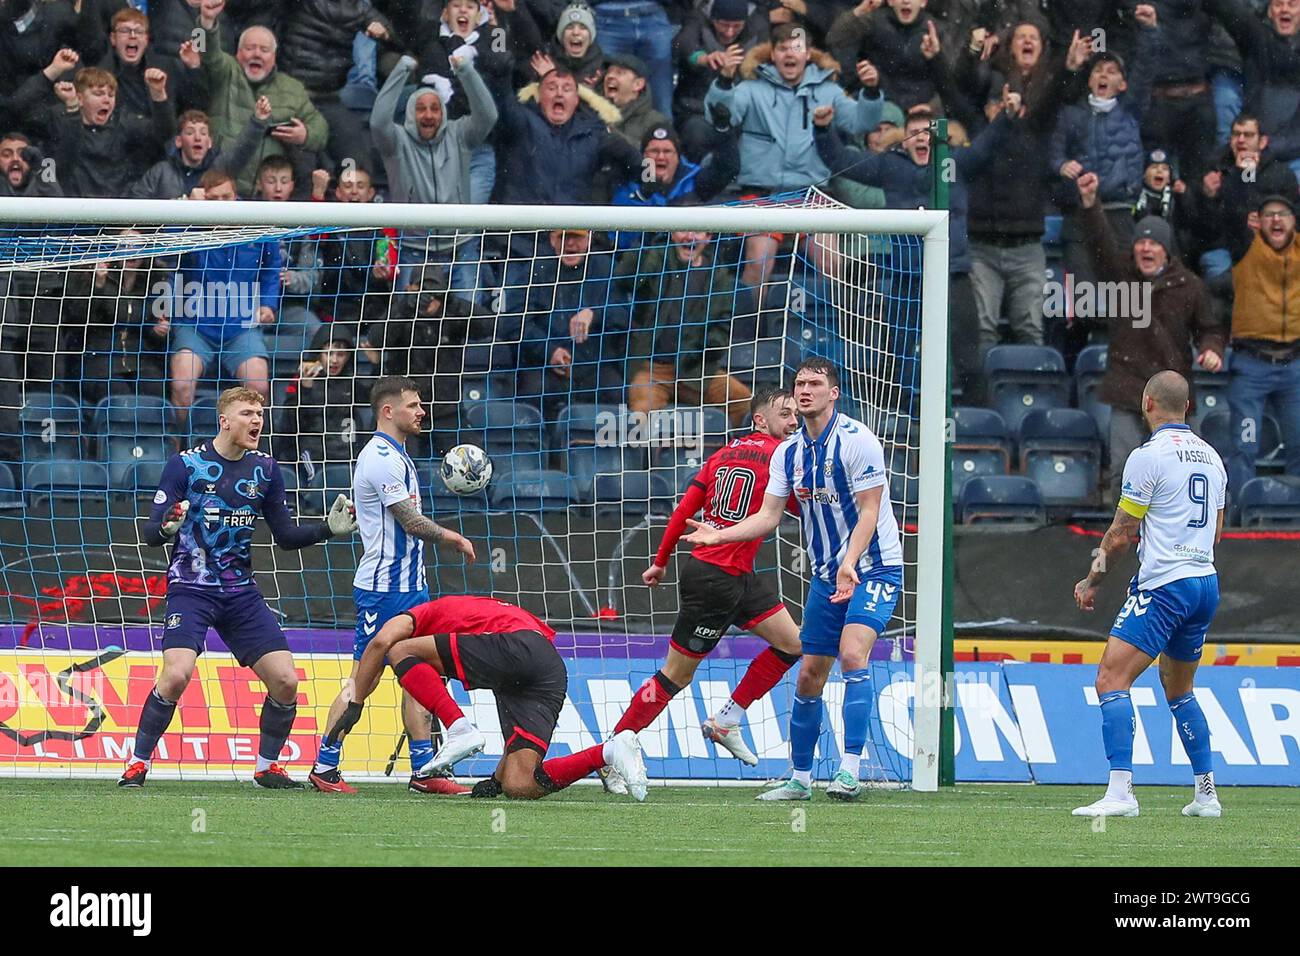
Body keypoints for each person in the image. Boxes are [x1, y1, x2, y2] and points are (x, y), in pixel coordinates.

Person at [683, 358, 903, 801]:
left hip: (874, 567)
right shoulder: (788, 453)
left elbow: (869, 510)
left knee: (853, 654)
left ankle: (850, 770)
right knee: (808, 675)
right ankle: (801, 779)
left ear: (833, 392)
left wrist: (851, 562)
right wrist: (719, 533)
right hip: (826, 576)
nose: (805, 390)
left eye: (815, 384)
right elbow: (767, 516)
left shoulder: (858, 440)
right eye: (800, 384)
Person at [117, 387, 359, 789]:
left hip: (240, 592)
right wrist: (167, 528)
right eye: (247, 413)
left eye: (260, 414)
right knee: (176, 675)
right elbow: (149, 534)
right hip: (191, 588)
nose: (257, 421)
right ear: (224, 420)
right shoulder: (186, 465)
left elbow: (284, 535)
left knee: (286, 681)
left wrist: (327, 530)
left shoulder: (265, 469)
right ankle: (137, 762)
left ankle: (266, 767)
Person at [600, 388, 804, 793]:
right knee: (675, 676)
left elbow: (682, 510)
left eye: (797, 414)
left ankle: (727, 719)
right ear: (760, 420)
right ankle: (611, 756)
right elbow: (798, 507)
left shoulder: (721, 455)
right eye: (786, 414)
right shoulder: (781, 458)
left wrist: (660, 561)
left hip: (734, 575)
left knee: (794, 644)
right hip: (715, 580)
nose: (794, 421)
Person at [309, 377, 478, 795]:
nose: (422, 412)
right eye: (414, 405)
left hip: (410, 589)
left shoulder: (399, 456)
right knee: (362, 682)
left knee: (421, 676)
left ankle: (424, 770)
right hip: (383, 591)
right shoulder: (380, 457)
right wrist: (453, 537)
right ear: (389, 411)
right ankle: (324, 766)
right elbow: (411, 521)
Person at [1072, 371, 1225, 819]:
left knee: (1110, 679)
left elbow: (1121, 533)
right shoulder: (1213, 459)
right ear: (1188, 407)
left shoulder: (1148, 456)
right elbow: (1215, 531)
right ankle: (1206, 794)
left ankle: (1120, 793)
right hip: (1204, 582)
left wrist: (1092, 579)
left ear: (1147, 404)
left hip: (1166, 585)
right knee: (1180, 690)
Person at [324, 595, 650, 801]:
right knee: (520, 784)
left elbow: (382, 642)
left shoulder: (420, 615)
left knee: (400, 651)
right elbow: (517, 658)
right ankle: (608, 751)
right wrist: (495, 781)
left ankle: (458, 727)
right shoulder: (484, 610)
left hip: (516, 650)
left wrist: (356, 699)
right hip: (545, 668)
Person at [1075, 171, 1225, 503]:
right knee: (1123, 472)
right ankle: (1124, 537)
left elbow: (1210, 329)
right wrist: (1090, 205)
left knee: (1185, 473)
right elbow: (1101, 243)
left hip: (1173, 395)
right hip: (1129, 389)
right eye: (1141, 241)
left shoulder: (1190, 285)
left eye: (1154, 242)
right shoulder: (1120, 277)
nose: (1145, 247)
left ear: (1166, 250)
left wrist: (1211, 348)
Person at [703, 21, 884, 286]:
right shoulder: (751, 87)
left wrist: (870, 91)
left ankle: (836, 326)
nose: (790, 54)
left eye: (797, 48)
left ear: (808, 54)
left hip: (812, 195)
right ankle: (752, 327)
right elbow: (720, 116)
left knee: (832, 262)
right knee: (758, 262)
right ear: (772, 54)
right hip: (763, 194)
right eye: (783, 48)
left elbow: (862, 124)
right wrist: (725, 80)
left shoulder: (828, 90)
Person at [370, 52, 498, 303]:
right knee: (409, 329)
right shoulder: (395, 143)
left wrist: (466, 72)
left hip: (462, 249)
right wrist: (403, 68)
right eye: (420, 109)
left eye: (434, 109)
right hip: (413, 253)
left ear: (443, 113)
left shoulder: (459, 134)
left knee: (468, 325)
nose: (428, 115)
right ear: (409, 114)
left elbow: (488, 116)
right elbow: (378, 121)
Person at [162, 169, 281, 426]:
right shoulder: (191, 222)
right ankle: (178, 448)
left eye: (226, 197)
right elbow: (166, 244)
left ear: (235, 195)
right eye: (213, 199)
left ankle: (255, 451)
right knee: (182, 386)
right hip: (195, 324)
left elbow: (272, 269)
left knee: (259, 385)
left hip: (240, 326)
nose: (221, 205)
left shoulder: (256, 222)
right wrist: (188, 207)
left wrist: (268, 304)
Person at [182, 6, 330, 197]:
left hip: (270, 198)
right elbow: (209, 53)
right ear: (237, 53)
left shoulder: (293, 88)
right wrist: (207, 22)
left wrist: (305, 135)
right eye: (250, 48)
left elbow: (321, 129)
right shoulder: (227, 71)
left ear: (274, 57)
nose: (257, 54)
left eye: (264, 50)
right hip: (225, 192)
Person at [617, 228, 754, 428]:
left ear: (708, 238)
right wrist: (643, 242)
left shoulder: (719, 276)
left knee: (744, 402)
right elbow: (626, 278)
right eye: (683, 229)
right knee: (642, 415)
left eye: (697, 232)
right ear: (672, 233)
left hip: (696, 371)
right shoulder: (657, 257)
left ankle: (738, 454)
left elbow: (723, 324)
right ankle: (647, 460)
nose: (690, 236)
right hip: (652, 370)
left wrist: (706, 347)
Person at [1219, 191, 1300, 500]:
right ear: (1258, 221)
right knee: (1244, 443)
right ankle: (1241, 511)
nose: (1276, 219)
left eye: (1283, 214)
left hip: (1294, 366)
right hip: (1252, 365)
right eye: (1269, 214)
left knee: (1299, 442)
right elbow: (1232, 211)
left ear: (1294, 221)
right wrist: (1247, 171)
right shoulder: (1245, 248)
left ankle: (1294, 516)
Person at [45, 65, 175, 197]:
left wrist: (158, 94)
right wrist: (72, 108)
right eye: (98, 94)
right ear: (80, 99)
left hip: (118, 207)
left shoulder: (123, 122)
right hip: (74, 207)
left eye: (111, 95)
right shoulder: (60, 120)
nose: (107, 100)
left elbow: (164, 134)